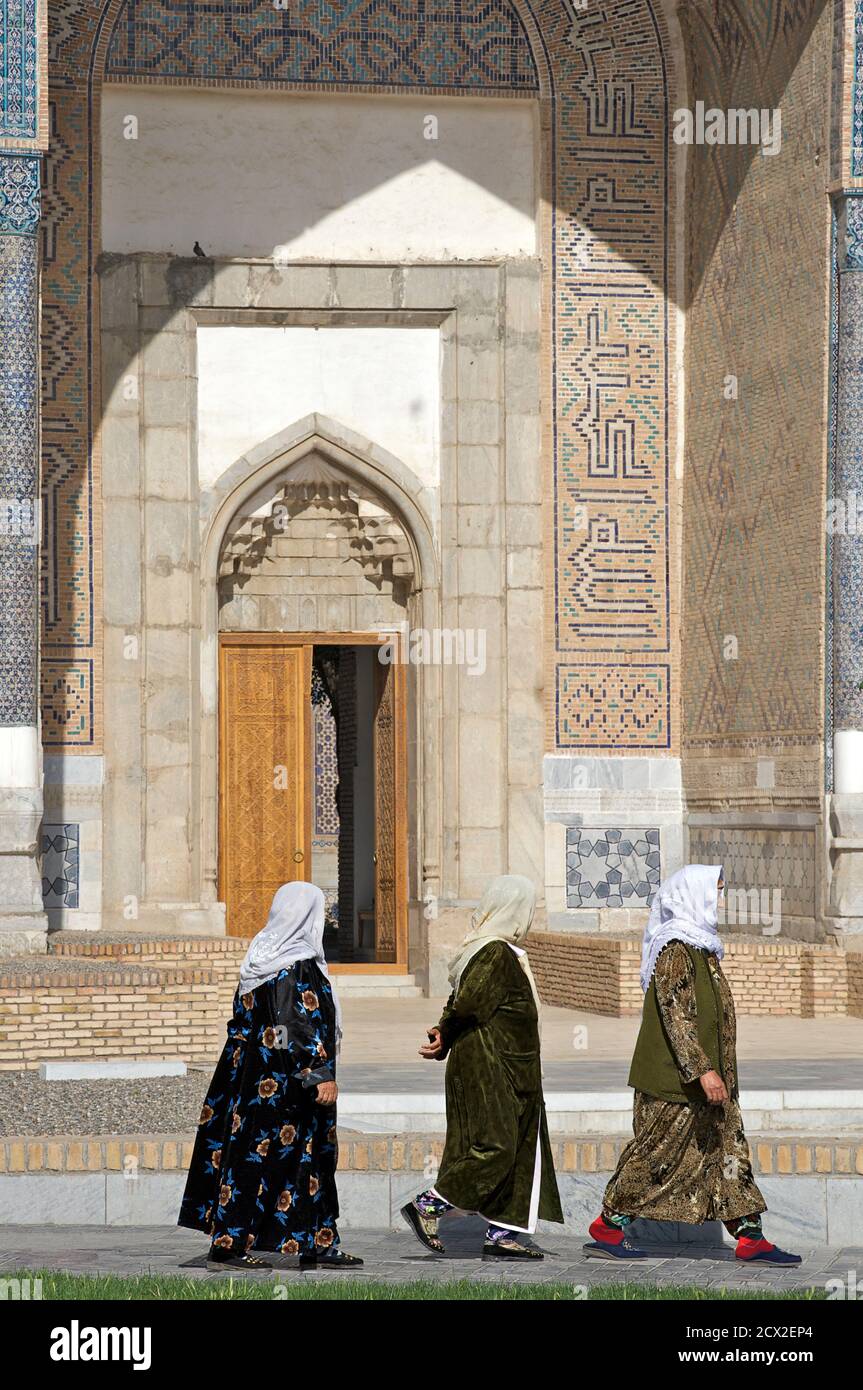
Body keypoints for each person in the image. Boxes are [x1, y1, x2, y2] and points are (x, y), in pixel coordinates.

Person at [585, 864, 801, 1266]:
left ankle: (750, 1237)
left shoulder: (701, 948)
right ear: (690, 897)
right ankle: (608, 1226)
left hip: (712, 1083)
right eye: (713, 892)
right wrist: (703, 1070)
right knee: (657, 1157)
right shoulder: (675, 951)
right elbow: (676, 1017)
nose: (719, 901)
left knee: (728, 1153)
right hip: (676, 1084)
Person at [178, 881, 362, 1270]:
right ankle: (228, 1246)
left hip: (255, 1077)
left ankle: (318, 1240)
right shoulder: (290, 967)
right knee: (256, 1158)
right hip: (280, 1085)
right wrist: (317, 1073)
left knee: (308, 1160)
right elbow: (292, 1026)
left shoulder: (262, 958)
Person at [401, 874, 563, 1259]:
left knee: (518, 1146)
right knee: (496, 1146)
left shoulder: (492, 949)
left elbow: (461, 1002)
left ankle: (503, 1233)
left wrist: (444, 1030)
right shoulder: (494, 952)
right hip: (492, 1066)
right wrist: (448, 1029)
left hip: (510, 1066)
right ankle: (429, 1205)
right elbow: (470, 1003)